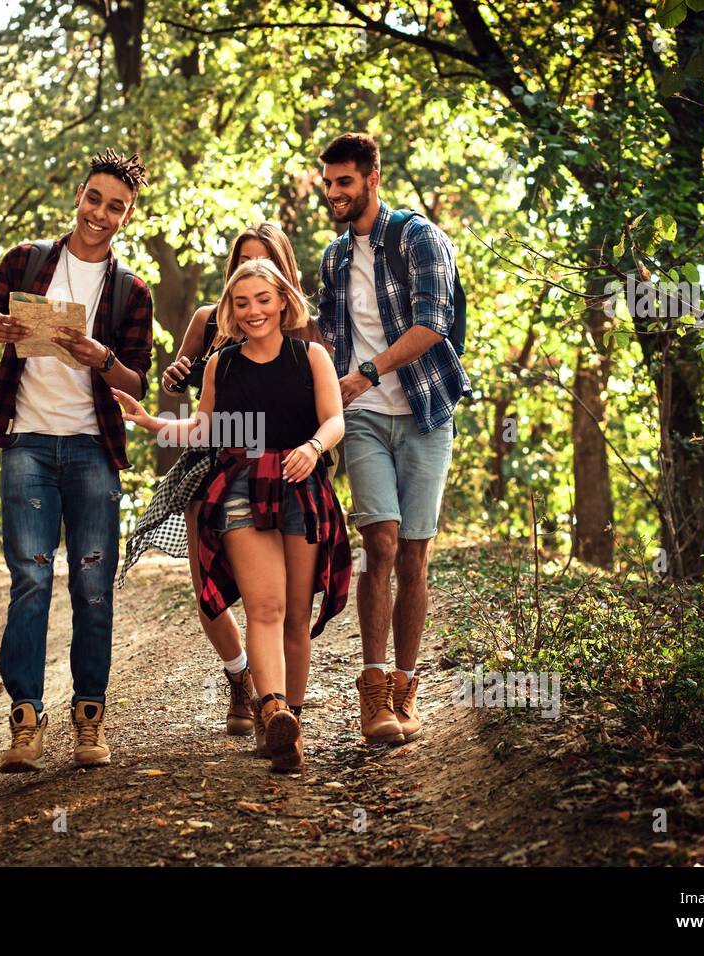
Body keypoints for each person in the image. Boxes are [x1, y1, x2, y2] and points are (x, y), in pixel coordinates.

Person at [0, 149, 154, 773]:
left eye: (115, 206)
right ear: (79, 195)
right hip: (29, 444)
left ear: (127, 215)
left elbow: (139, 384)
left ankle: (89, 716)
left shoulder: (130, 290)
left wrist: (100, 357)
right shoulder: (28, 260)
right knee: (32, 580)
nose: (101, 213)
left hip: (94, 450)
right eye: (94, 199)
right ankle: (26, 719)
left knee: (93, 587)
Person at [113, 258, 351, 772]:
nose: (253, 311)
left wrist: (312, 447)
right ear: (229, 310)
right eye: (241, 303)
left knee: (294, 612)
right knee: (263, 608)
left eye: (263, 300)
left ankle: (292, 725)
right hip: (242, 486)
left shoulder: (310, 355)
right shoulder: (222, 363)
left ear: (284, 301)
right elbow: (207, 430)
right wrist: (153, 422)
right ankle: (273, 709)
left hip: (300, 482)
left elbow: (335, 421)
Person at [316, 133, 470, 746]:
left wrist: (368, 373)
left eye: (344, 182)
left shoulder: (418, 238)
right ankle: (373, 693)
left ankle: (408, 688)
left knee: (413, 551)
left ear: (372, 179)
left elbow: (433, 324)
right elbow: (326, 337)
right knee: (377, 542)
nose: (334, 194)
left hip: (426, 411)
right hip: (363, 419)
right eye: (328, 183)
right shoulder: (332, 258)